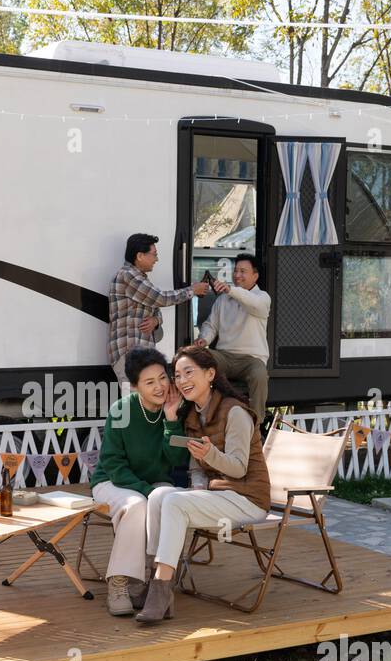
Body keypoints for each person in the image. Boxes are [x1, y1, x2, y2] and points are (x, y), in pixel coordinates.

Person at [138, 345, 271, 624]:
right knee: (159, 495)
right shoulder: (192, 415)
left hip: (247, 499)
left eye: (189, 372)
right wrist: (198, 489)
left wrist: (210, 454)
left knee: (174, 501)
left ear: (210, 374)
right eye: (177, 375)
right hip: (218, 496)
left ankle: (162, 589)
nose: (182, 380)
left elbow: (238, 467)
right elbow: (197, 467)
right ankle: (154, 580)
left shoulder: (235, 412)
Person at [89, 348, 191, 616]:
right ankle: (119, 583)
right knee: (137, 505)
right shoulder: (122, 410)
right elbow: (113, 464)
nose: (159, 386)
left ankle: (156, 582)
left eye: (162, 378)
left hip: (155, 483)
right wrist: (146, 491)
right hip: (112, 483)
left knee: (168, 501)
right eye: (149, 382)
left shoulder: (177, 409)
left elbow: (177, 458)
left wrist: (171, 421)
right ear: (135, 387)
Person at [108, 233, 209, 391]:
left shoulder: (139, 278)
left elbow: (155, 307)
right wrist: (192, 290)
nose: (157, 259)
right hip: (129, 356)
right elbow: (160, 298)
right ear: (140, 256)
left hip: (140, 357)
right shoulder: (128, 276)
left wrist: (156, 321)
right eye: (154, 254)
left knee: (146, 408)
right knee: (135, 407)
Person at [196, 253, 270, 423]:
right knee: (198, 357)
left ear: (255, 276)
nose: (237, 275)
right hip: (224, 356)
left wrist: (230, 290)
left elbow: (253, 304)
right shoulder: (223, 299)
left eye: (243, 271)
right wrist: (204, 340)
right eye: (235, 271)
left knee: (259, 374)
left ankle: (257, 423)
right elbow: (210, 325)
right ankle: (203, 415)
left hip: (251, 359)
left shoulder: (263, 298)